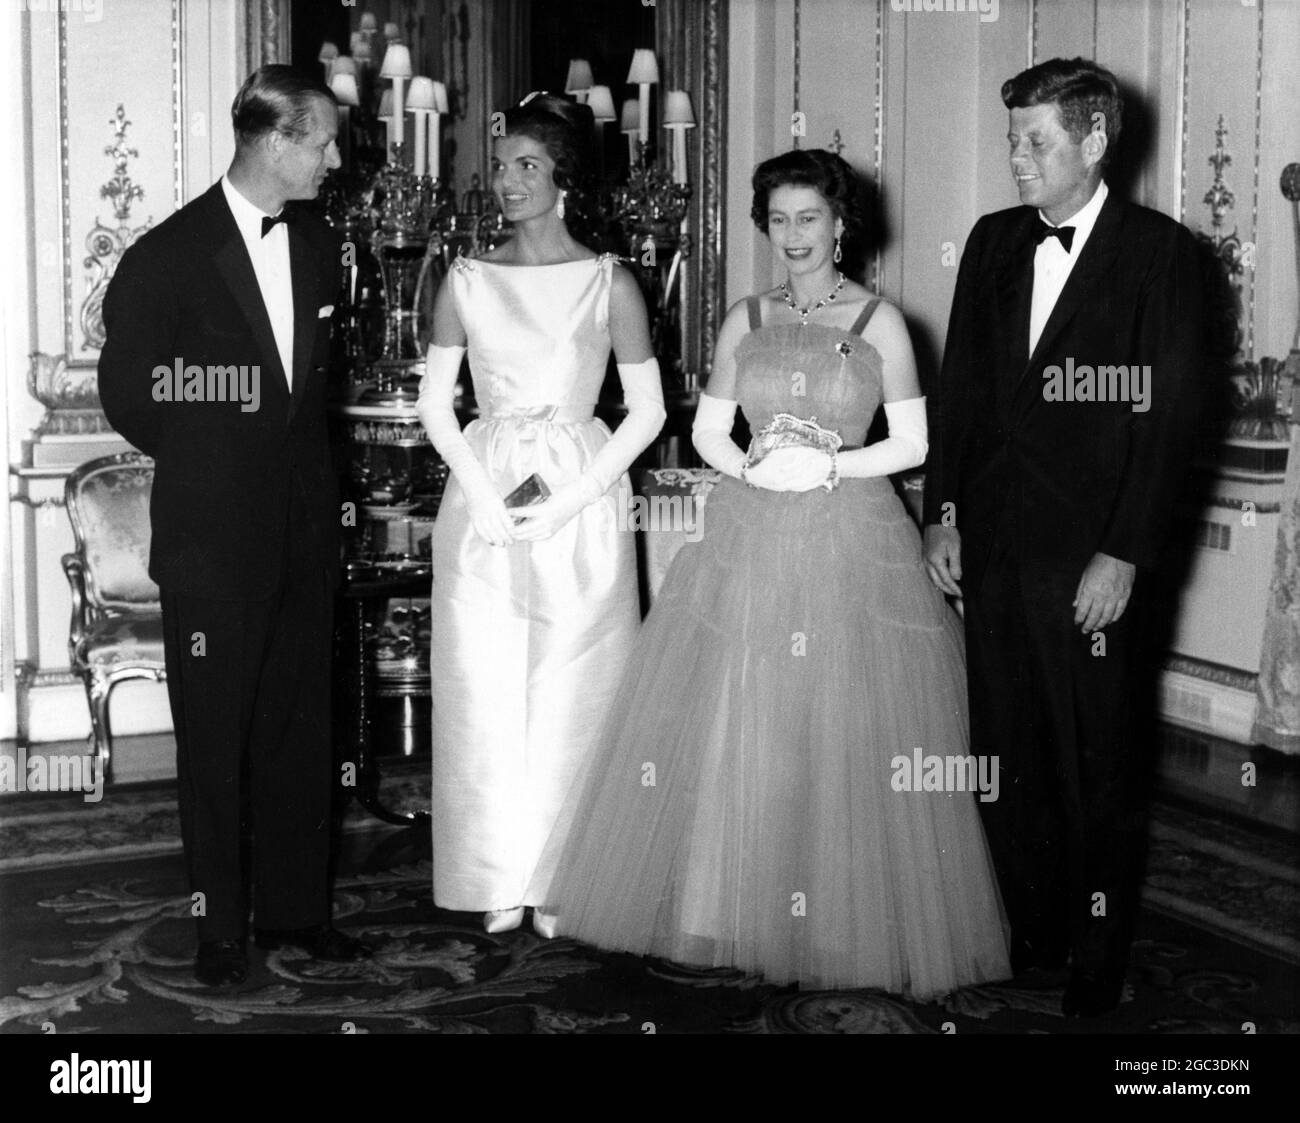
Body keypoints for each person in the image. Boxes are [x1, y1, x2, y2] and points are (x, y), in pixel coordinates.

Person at [529, 149, 1011, 999]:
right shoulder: (744, 318)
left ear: (840, 225)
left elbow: (914, 443)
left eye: (809, 219)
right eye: (779, 219)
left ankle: (834, 918)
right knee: (736, 717)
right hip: (748, 535)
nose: (793, 236)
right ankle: (720, 909)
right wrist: (753, 469)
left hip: (851, 539)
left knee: (839, 723)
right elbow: (709, 429)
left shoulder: (881, 323)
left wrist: (827, 466)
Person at [922, 58, 1205, 1016]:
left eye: (1035, 141)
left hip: (1093, 560)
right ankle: (1028, 931)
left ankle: (1095, 958)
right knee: (1004, 752)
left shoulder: (1161, 256)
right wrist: (942, 518)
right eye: (1010, 140)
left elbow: (1168, 425)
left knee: (1097, 763)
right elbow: (961, 395)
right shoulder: (995, 242)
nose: (1016, 160)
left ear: (1094, 142)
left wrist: (1122, 551)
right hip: (993, 551)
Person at [98, 65, 371, 986]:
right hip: (214, 537)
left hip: (302, 532)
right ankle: (220, 929)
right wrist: (226, 426)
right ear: (274, 141)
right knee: (214, 743)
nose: (336, 158)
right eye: (324, 140)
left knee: (303, 730)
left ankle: (297, 913)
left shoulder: (321, 244)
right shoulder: (167, 255)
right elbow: (130, 394)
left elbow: (313, 391)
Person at [417, 93, 666, 935]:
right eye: (502, 165)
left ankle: (563, 879)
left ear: (564, 179)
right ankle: (494, 875)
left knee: (572, 692)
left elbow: (647, 413)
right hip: (482, 502)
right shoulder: (466, 278)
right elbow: (435, 406)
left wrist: (572, 497)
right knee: (481, 687)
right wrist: (482, 495)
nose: (508, 181)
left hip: (580, 503)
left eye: (528, 166)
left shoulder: (609, 280)